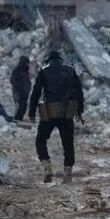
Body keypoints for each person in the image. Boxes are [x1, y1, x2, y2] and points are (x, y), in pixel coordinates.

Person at [29, 50, 84, 184]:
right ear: (60, 60)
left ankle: (47, 167)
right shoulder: (70, 71)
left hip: (49, 112)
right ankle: (67, 174)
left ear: (49, 60)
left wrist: (31, 113)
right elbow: (79, 92)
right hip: (66, 113)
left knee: (40, 140)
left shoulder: (44, 72)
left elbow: (36, 93)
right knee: (68, 144)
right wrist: (79, 111)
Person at [10, 56, 32, 121]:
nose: (28, 64)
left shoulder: (26, 71)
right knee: (19, 105)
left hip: (25, 92)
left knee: (24, 106)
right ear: (23, 63)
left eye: (28, 63)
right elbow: (12, 80)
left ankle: (20, 119)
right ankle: (16, 120)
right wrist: (19, 87)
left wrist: (28, 87)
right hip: (18, 92)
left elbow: (27, 81)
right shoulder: (17, 70)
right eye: (26, 63)